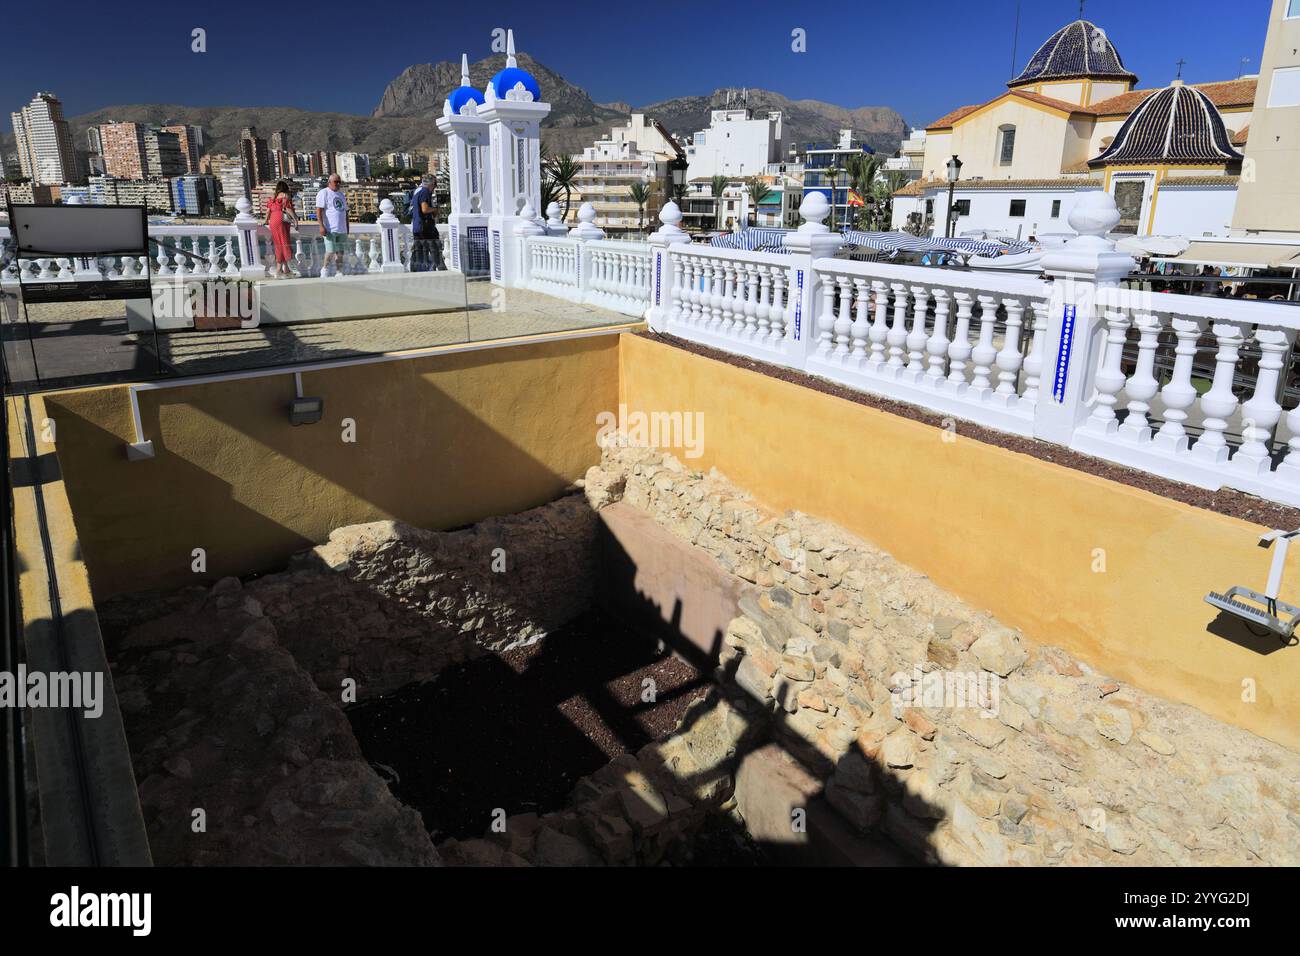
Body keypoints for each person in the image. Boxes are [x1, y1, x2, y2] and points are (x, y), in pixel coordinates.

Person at [316, 174, 349, 275]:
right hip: (330, 229)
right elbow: (319, 211)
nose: (338, 184)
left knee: (340, 253)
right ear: (329, 182)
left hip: (342, 229)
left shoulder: (341, 195)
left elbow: (346, 212)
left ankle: (339, 271)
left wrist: (347, 228)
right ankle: (324, 270)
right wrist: (321, 226)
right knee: (330, 251)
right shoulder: (324, 193)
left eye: (339, 182)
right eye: (336, 182)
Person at [265, 180, 297, 278]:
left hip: (273, 221)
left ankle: (285, 269)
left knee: (279, 244)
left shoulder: (273, 198)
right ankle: (279, 269)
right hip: (281, 221)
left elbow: (268, 212)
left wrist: (266, 221)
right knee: (284, 244)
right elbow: (288, 209)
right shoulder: (285, 196)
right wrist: (295, 220)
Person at [410, 174, 436, 272]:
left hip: (417, 227)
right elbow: (424, 209)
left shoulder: (418, 192)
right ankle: (425, 270)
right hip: (423, 228)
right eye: (435, 184)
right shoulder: (425, 192)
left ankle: (415, 270)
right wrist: (434, 210)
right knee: (431, 249)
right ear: (432, 184)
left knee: (418, 250)